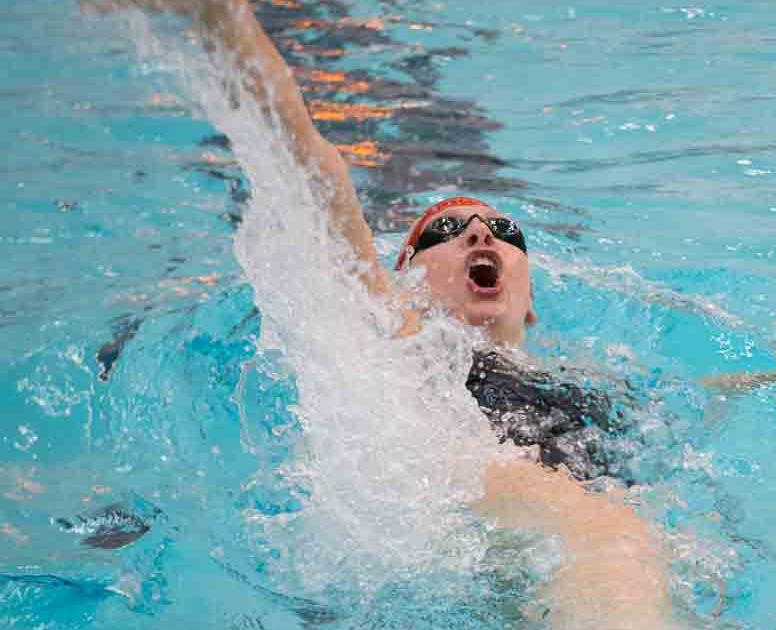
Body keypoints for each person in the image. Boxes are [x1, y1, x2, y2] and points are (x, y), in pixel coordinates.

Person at [86, 1, 677, 628]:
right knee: (611, 534)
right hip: (478, 500)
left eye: (504, 229)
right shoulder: (408, 338)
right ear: (403, 280)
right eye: (447, 229)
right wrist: (226, 23)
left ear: (531, 301)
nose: (481, 233)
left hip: (527, 557)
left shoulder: (593, 378)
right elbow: (314, 178)